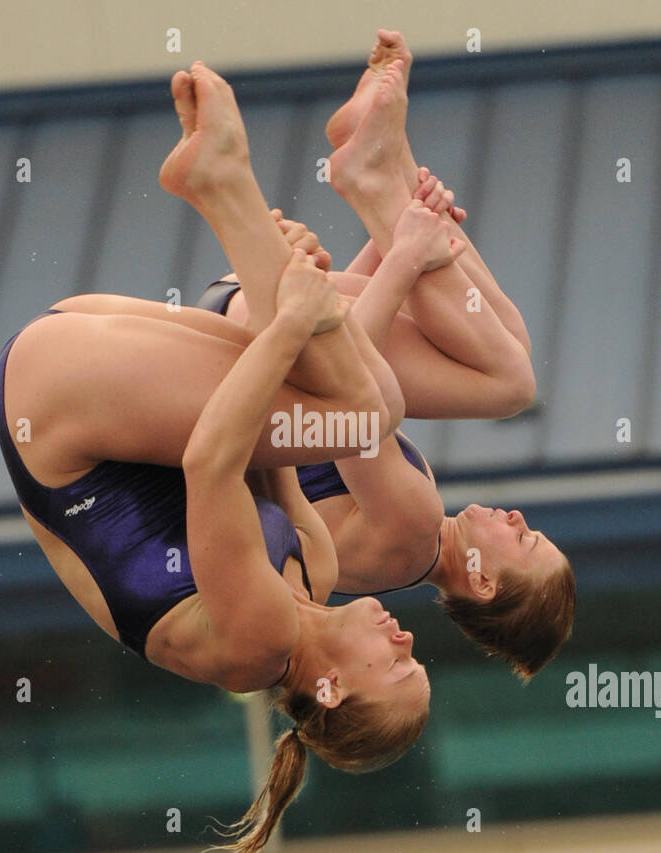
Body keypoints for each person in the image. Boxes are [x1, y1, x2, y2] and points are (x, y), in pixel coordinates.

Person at [0, 61, 437, 853]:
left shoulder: (256, 642)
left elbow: (209, 460)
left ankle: (225, 188)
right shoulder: (316, 571)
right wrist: (275, 300)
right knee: (359, 400)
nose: (408, 642)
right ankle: (228, 203)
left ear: (330, 690)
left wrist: (285, 321)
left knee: (372, 410)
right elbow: (259, 443)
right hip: (86, 379)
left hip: (59, 410)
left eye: (396, 669)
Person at [195, 32, 577, 680]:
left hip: (254, 333)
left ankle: (377, 173)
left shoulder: (410, 531)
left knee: (510, 380)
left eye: (523, 541)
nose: (518, 517)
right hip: (253, 321)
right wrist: (399, 236)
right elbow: (341, 362)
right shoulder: (408, 542)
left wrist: (405, 256)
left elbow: (338, 383)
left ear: (482, 584)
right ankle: (386, 173)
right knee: (509, 342)